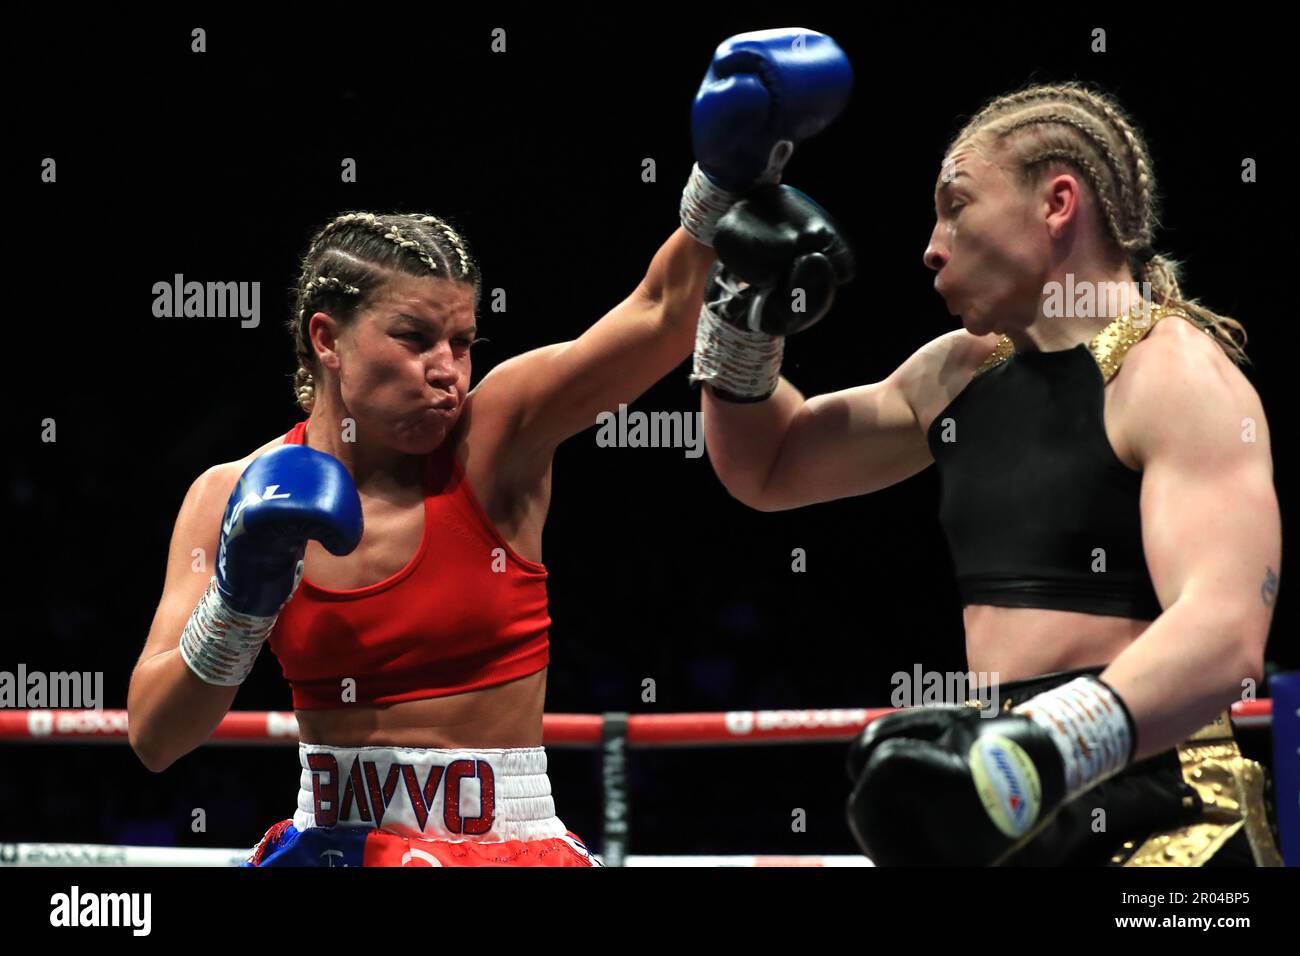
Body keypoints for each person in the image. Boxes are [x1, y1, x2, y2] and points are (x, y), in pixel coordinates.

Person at [125, 28, 853, 866]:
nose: (449, 373)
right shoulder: (228, 495)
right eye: (415, 338)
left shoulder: (495, 437)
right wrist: (240, 603)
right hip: (331, 849)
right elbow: (154, 736)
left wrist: (728, 175)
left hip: (505, 848)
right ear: (326, 338)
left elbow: (659, 311)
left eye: (463, 341)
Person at [692, 81, 1283, 865]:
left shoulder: (1173, 375)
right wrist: (738, 317)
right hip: (1012, 792)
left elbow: (1225, 633)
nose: (932, 245)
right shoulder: (961, 373)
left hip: (1167, 809)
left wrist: (1045, 742)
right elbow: (768, 466)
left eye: (957, 205)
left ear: (1057, 202)